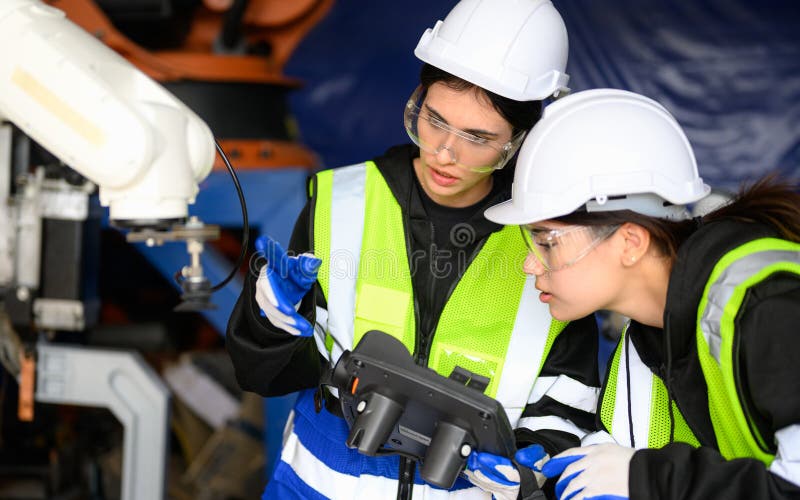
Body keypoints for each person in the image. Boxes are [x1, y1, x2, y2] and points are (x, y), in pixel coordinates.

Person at [227, 1, 603, 499]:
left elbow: (568, 401)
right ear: (416, 100)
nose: (445, 152)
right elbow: (263, 373)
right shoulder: (341, 202)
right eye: (435, 120)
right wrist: (267, 322)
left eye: (477, 137)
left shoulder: (547, 239)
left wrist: (535, 461)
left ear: (519, 141)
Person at [485, 87, 800, 500]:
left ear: (631, 242)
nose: (530, 263)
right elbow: (622, 448)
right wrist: (553, 468)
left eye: (547, 241)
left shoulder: (766, 306)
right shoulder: (646, 337)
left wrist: (649, 478)